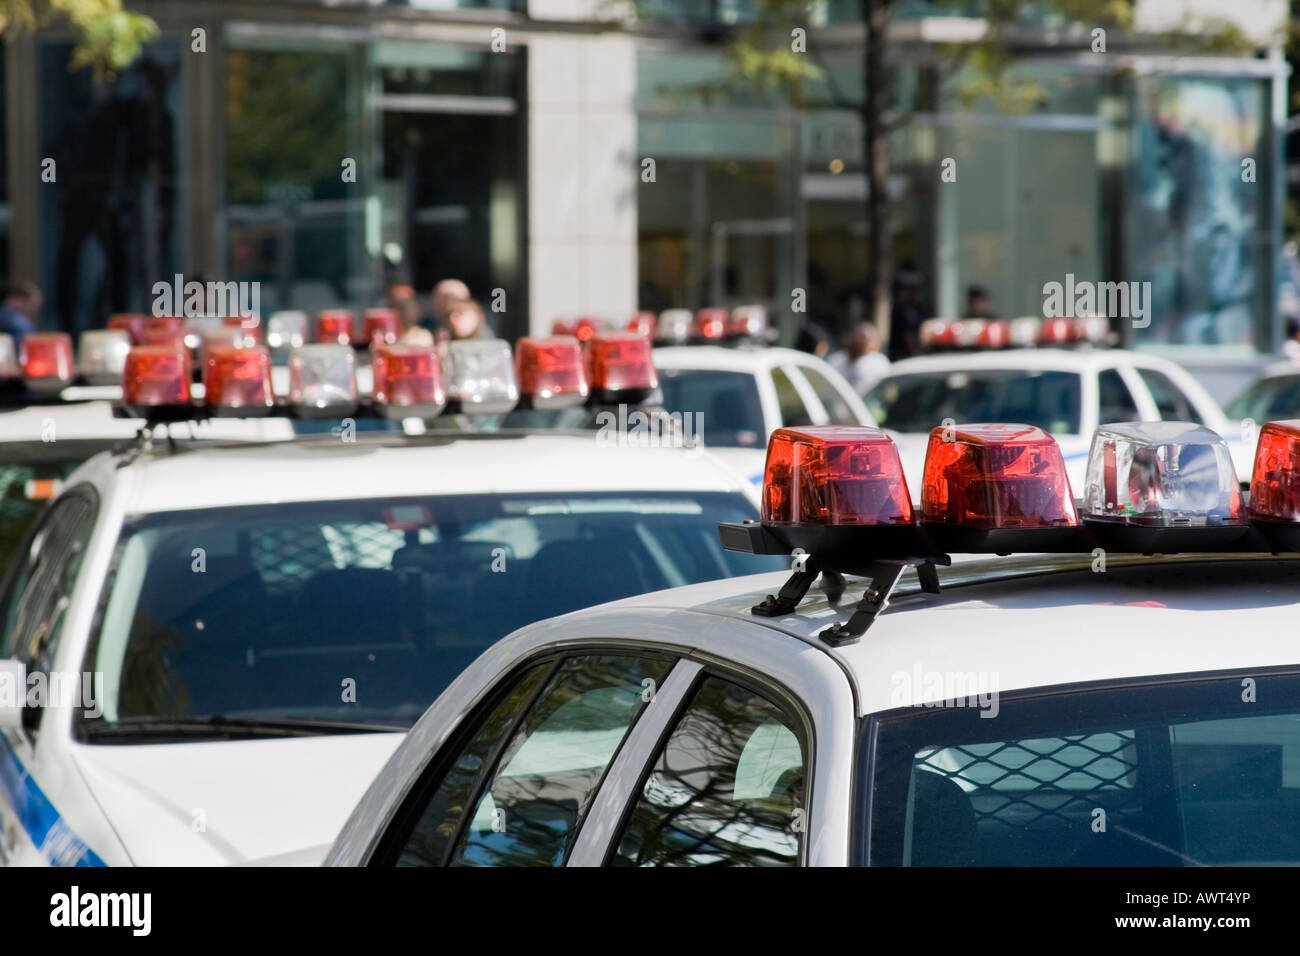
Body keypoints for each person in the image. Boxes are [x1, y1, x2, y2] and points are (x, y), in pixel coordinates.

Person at [829, 323, 891, 395]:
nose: (861, 342)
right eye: (860, 338)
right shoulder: (836, 361)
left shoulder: (879, 362)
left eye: (866, 340)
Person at [888, 270, 925, 361]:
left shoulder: (911, 307)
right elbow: (908, 335)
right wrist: (916, 353)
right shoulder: (901, 308)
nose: (915, 294)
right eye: (913, 290)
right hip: (903, 356)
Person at [0, 281, 42, 349]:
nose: (33, 309)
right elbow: (29, 343)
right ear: (19, 299)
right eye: (32, 304)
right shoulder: (17, 320)